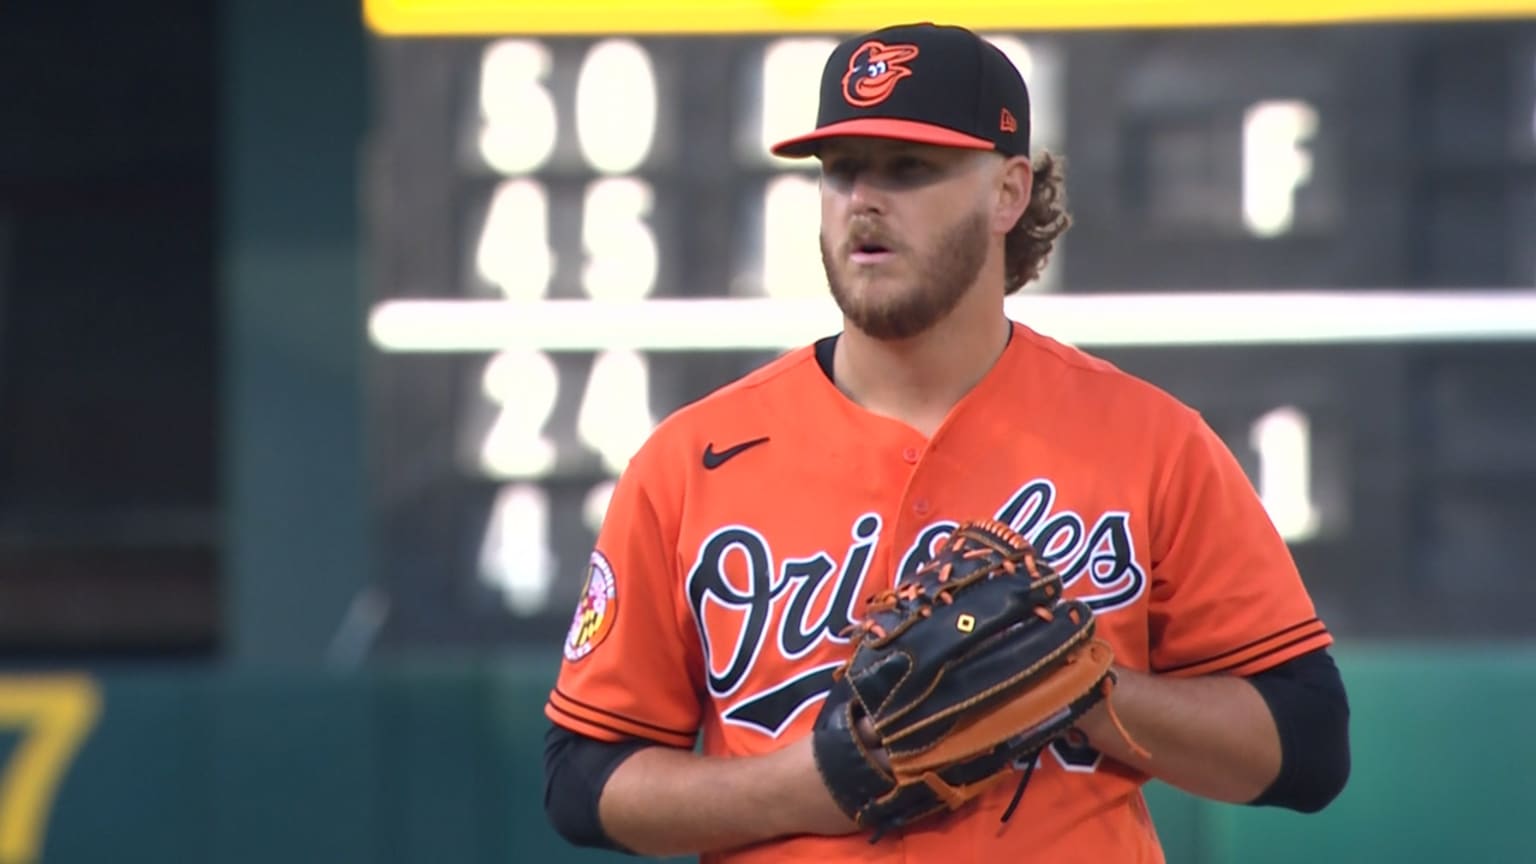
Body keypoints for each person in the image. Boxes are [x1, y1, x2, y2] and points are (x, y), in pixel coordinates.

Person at [542, 21, 1350, 863]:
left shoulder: (1150, 442)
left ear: (1007, 192)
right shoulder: (692, 460)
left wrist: (1089, 691)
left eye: (910, 169)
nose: (864, 198)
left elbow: (1308, 746)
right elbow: (583, 777)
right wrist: (805, 785)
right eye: (843, 168)